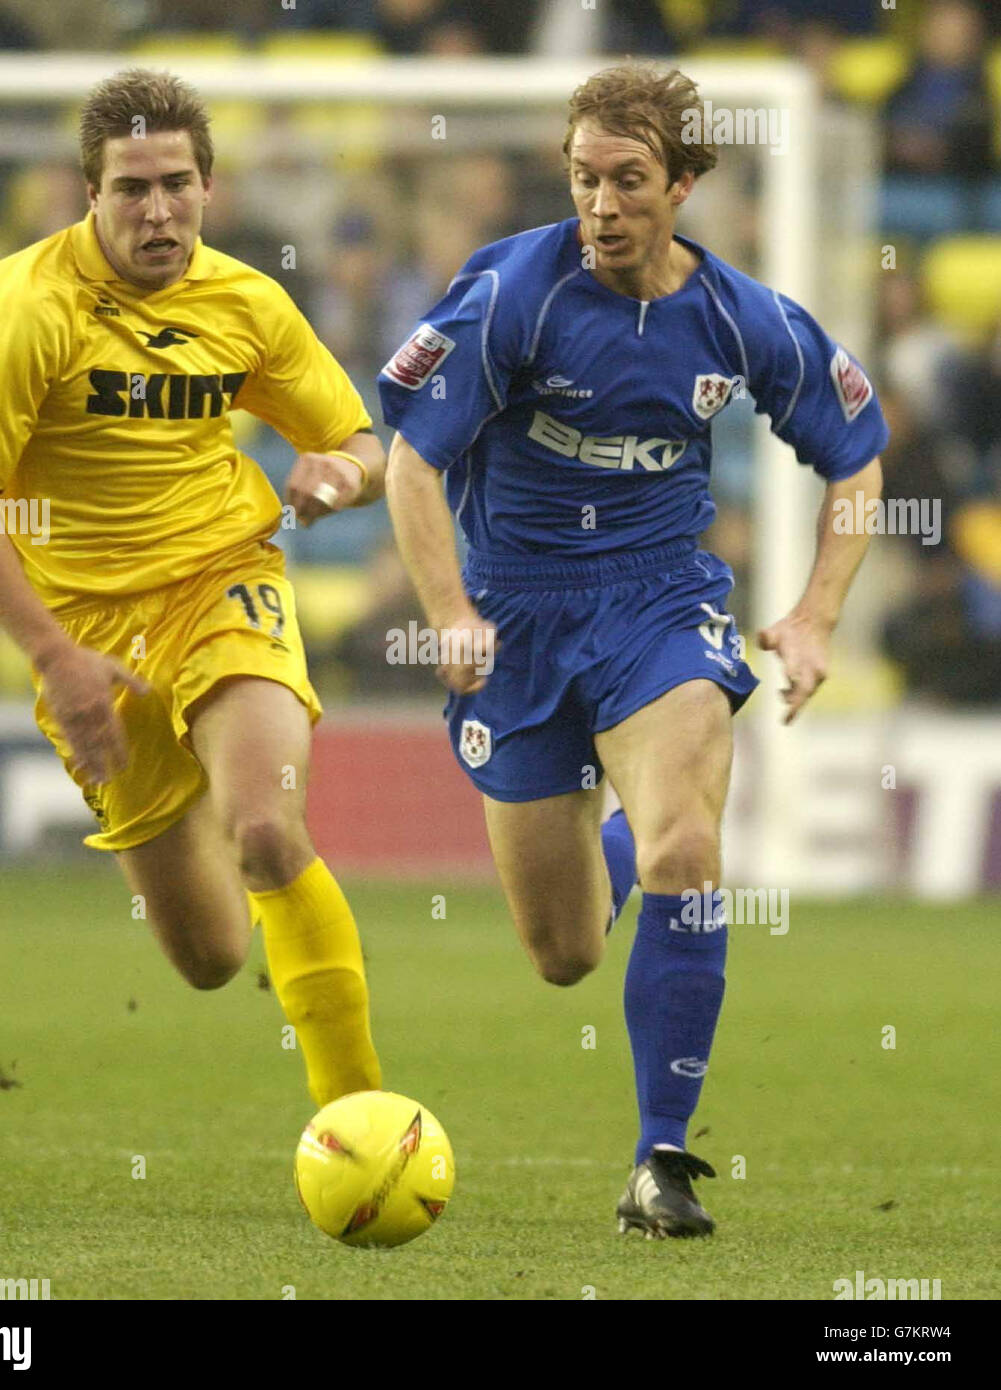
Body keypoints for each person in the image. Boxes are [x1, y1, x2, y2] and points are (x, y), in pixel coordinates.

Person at [379, 61, 887, 1238]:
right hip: (516, 615)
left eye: (627, 181)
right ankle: (616, 836)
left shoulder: (741, 317)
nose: (600, 206)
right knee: (559, 953)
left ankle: (659, 1157)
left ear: (685, 183)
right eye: (582, 179)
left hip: (660, 603)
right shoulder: (512, 293)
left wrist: (811, 615)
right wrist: (452, 612)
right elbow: (409, 463)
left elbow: (855, 458)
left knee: (687, 845)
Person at [0, 68, 386, 1109]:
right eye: (131, 188)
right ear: (91, 194)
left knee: (265, 826)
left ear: (209, 189)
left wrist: (341, 474)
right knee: (212, 956)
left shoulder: (246, 302)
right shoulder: (21, 305)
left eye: (176, 183)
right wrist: (52, 655)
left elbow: (363, 443)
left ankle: (362, 1122)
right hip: (86, 638)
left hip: (223, 580)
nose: (157, 209)